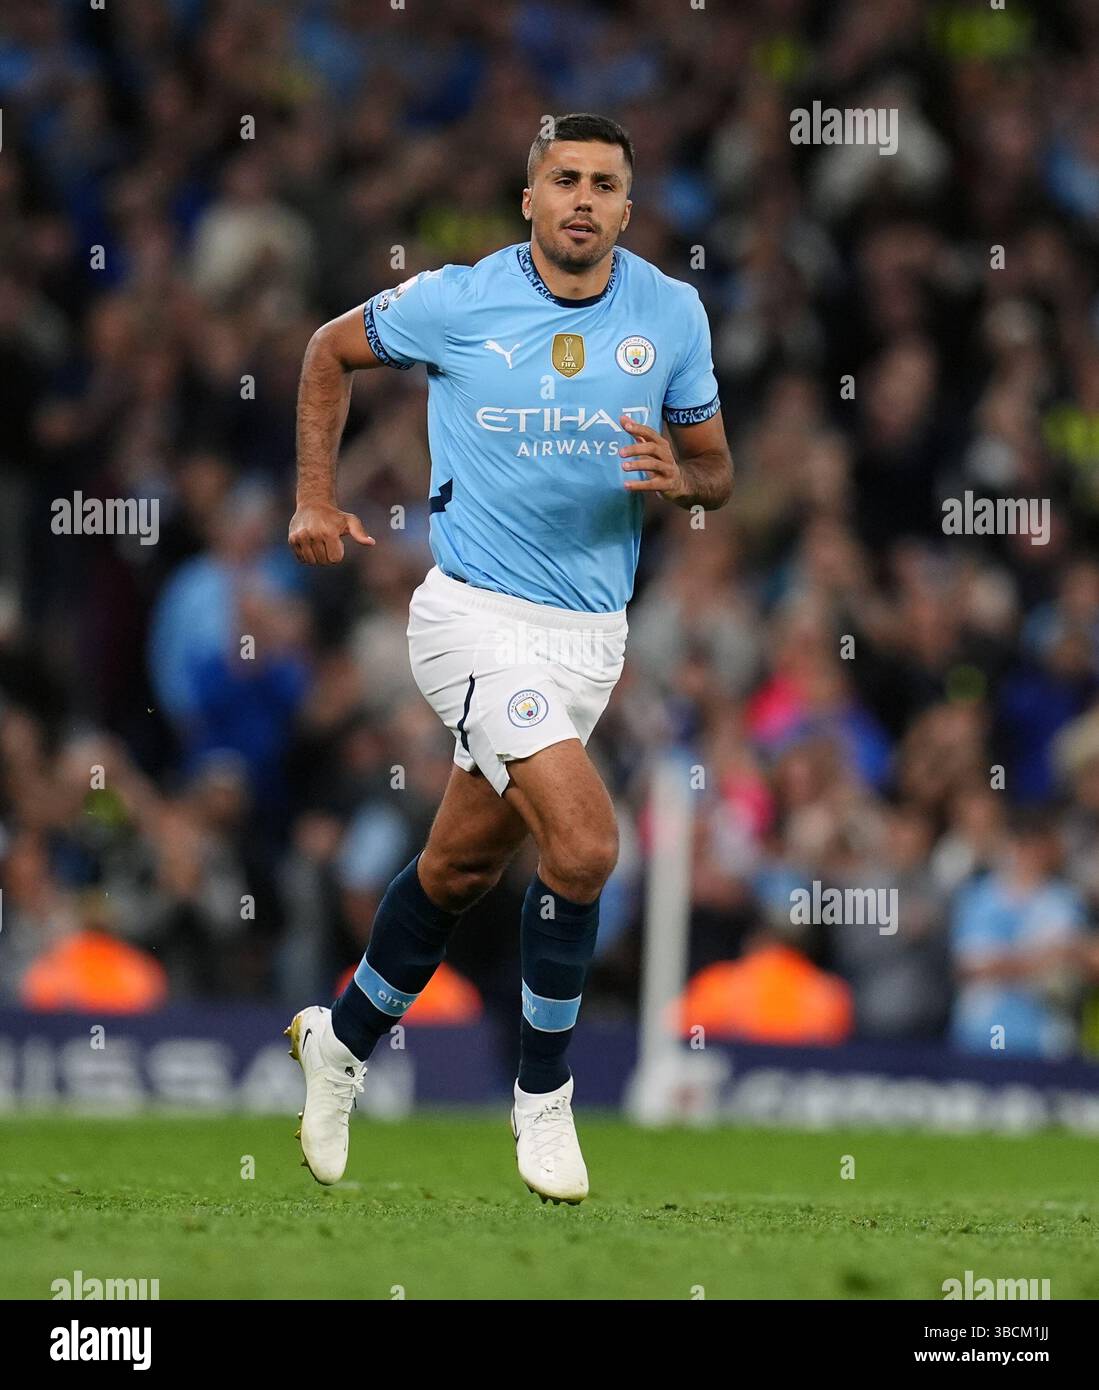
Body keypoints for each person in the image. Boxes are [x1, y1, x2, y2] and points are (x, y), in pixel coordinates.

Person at [284, 113, 732, 1202]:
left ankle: (338, 1043)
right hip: (470, 618)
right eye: (563, 179)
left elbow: (716, 469)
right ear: (528, 198)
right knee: (582, 847)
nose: (582, 198)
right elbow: (325, 351)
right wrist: (313, 498)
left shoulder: (669, 314)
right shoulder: (456, 299)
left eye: (604, 184)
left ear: (628, 207)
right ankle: (544, 1101)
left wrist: (682, 481)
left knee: (459, 867)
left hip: (590, 638)